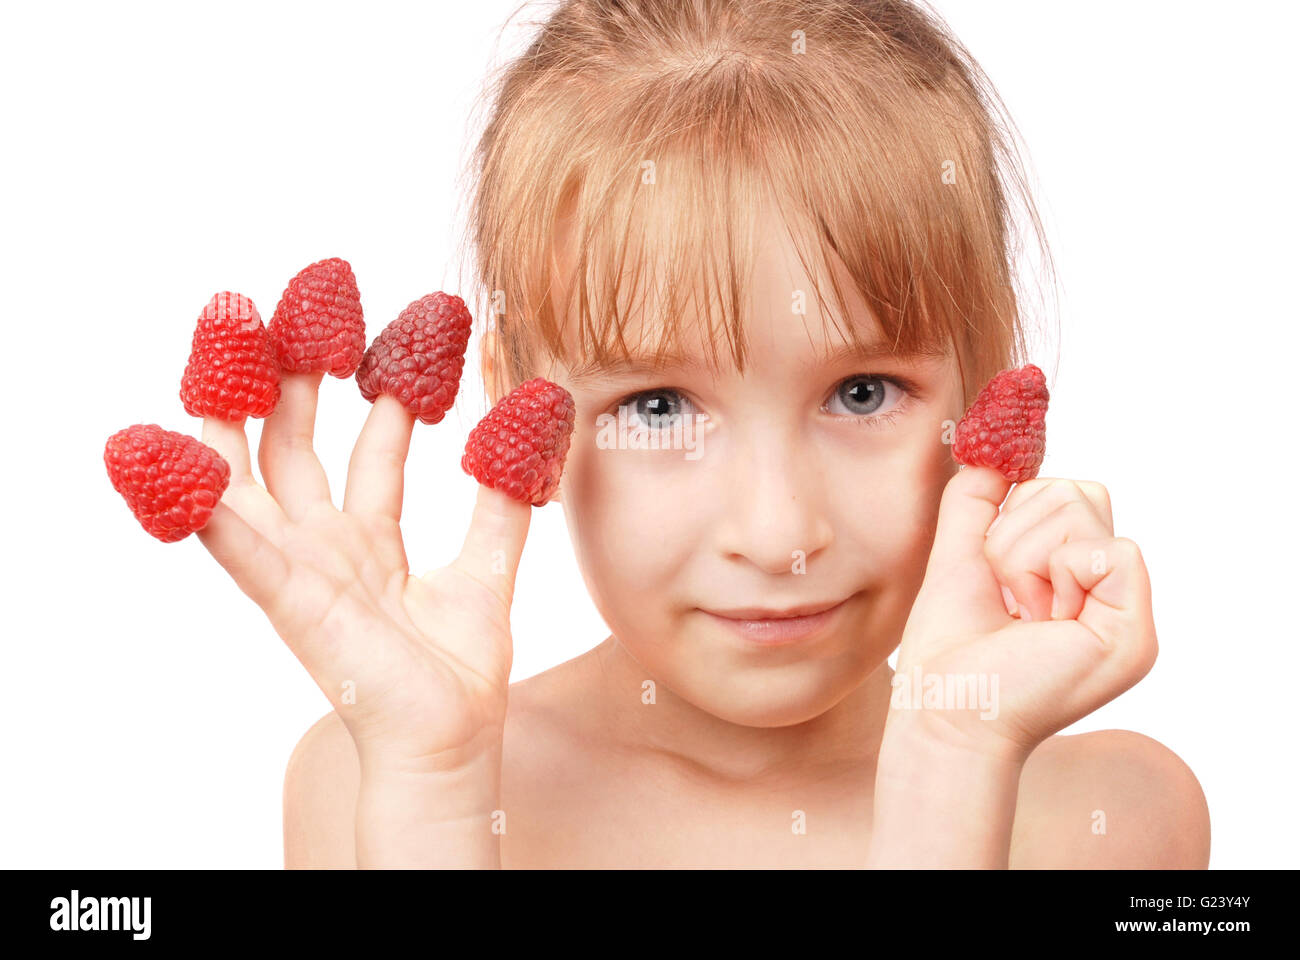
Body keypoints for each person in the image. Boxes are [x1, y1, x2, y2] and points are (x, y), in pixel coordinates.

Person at [197, 0, 1210, 867]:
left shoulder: (1105, 821)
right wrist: (433, 792)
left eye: (862, 392)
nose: (777, 536)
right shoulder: (376, 778)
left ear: (983, 395)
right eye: (658, 407)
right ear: (523, 416)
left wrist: (949, 772)